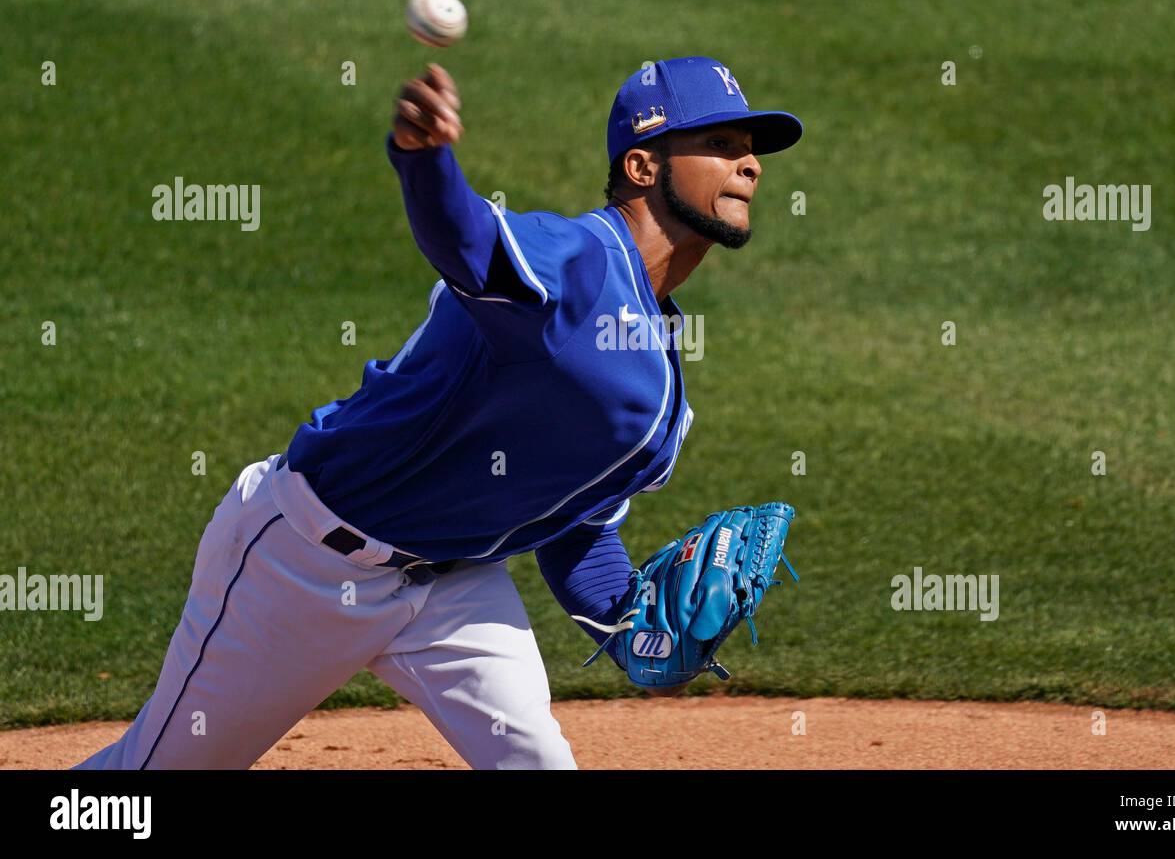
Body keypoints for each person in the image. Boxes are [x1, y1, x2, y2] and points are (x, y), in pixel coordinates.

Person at [75, 56, 802, 770]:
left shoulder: (664, 388)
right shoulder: (574, 260)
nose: (750, 166)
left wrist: (630, 627)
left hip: (456, 587)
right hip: (306, 563)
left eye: (749, 151)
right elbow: (466, 240)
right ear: (644, 167)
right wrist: (423, 161)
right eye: (721, 145)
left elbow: (577, 527)